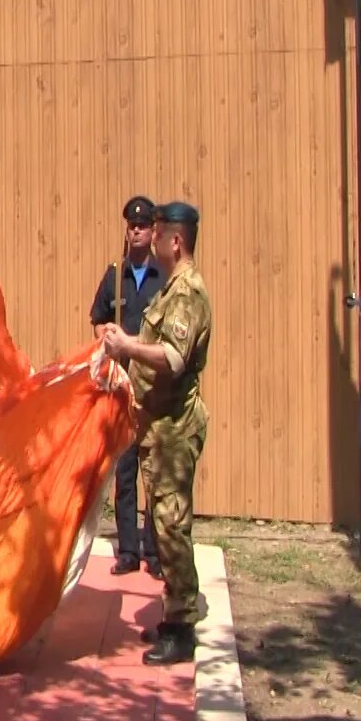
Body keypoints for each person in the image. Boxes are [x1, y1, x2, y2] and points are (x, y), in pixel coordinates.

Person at [100, 201, 212, 666]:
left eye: (160, 232)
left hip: (173, 431)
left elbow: (174, 357)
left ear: (174, 241)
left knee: (171, 525)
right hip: (157, 428)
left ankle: (181, 628)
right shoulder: (170, 291)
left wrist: (128, 345)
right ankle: (173, 615)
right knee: (163, 524)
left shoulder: (187, 294)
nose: (155, 240)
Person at [89, 195, 165, 578]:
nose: (135, 230)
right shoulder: (114, 273)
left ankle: (153, 552)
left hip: (152, 389)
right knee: (124, 472)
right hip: (122, 388)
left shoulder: (163, 277)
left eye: (142, 226)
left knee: (153, 473)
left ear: (153, 232)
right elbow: (98, 317)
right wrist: (107, 334)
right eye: (131, 225)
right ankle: (128, 551)